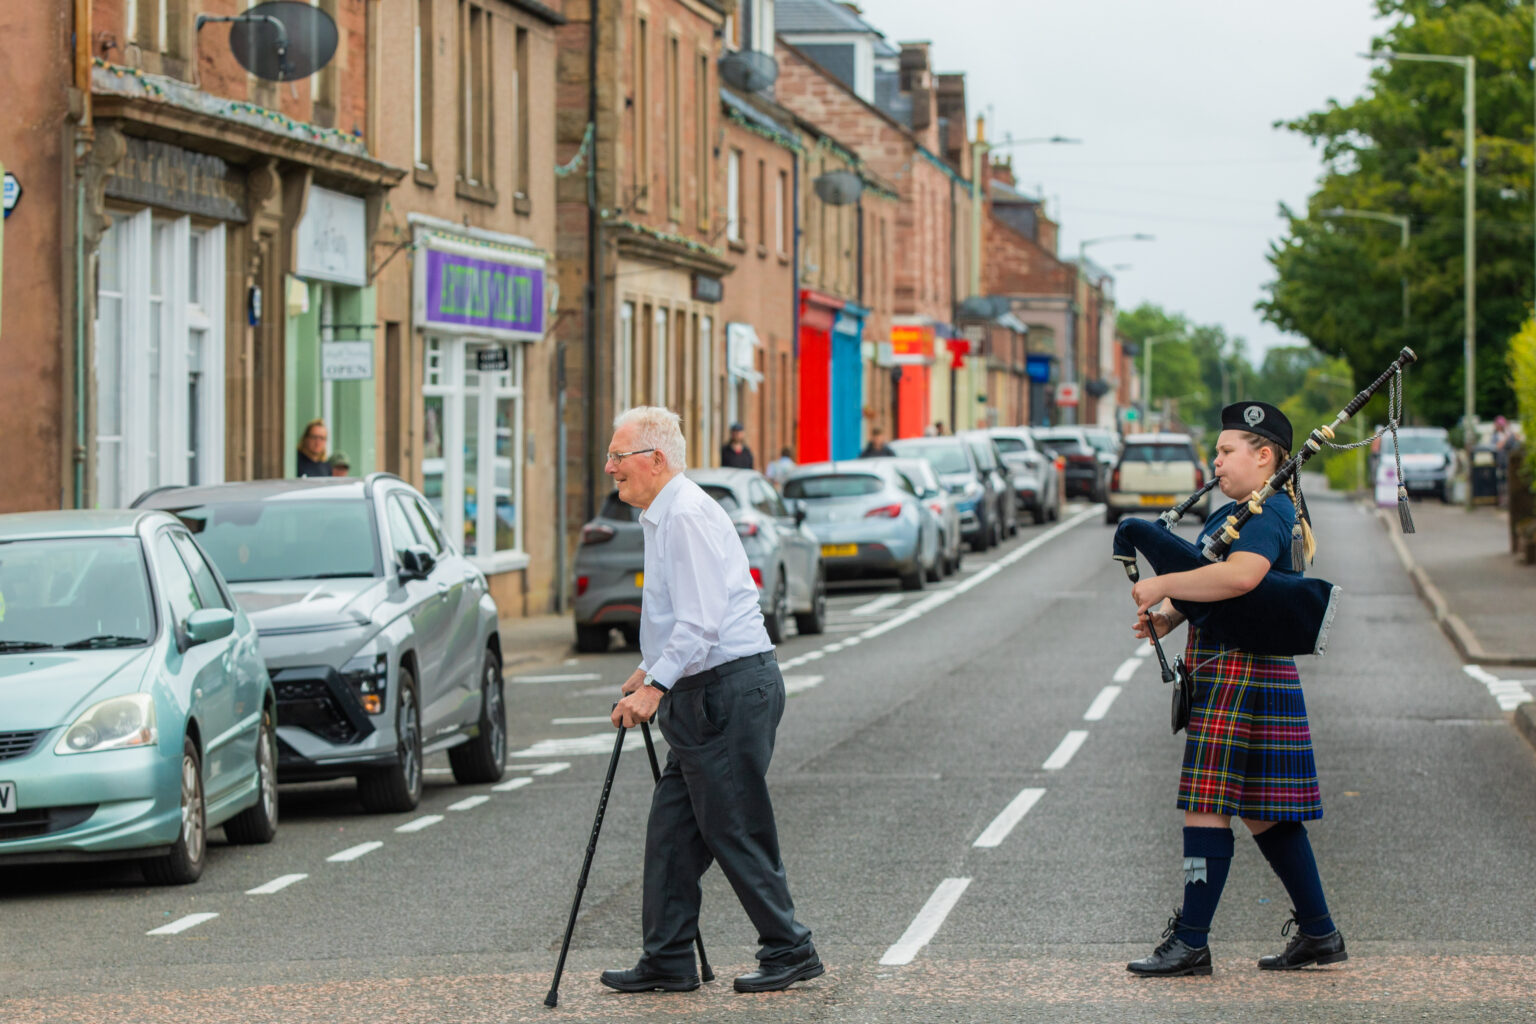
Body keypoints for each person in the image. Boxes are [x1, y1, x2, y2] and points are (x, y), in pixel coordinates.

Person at [603, 406, 822, 996]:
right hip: (705, 692)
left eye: (618, 456)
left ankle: (790, 948)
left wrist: (654, 687)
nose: (610, 468)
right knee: (673, 833)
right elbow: (687, 617)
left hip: (726, 691)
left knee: (736, 827)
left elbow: (702, 622)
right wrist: (649, 668)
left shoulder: (686, 516)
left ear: (656, 458)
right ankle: (668, 958)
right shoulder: (664, 514)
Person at [1125, 401, 1345, 978]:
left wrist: (1163, 583)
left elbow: (1242, 577)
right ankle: (1320, 933)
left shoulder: (1270, 512)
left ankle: (1191, 941)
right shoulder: (1238, 513)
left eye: (1226, 451)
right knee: (1264, 810)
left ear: (1265, 455)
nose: (1215, 460)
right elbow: (1213, 586)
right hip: (1234, 665)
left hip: (1240, 670)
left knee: (1208, 802)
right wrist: (1170, 616)